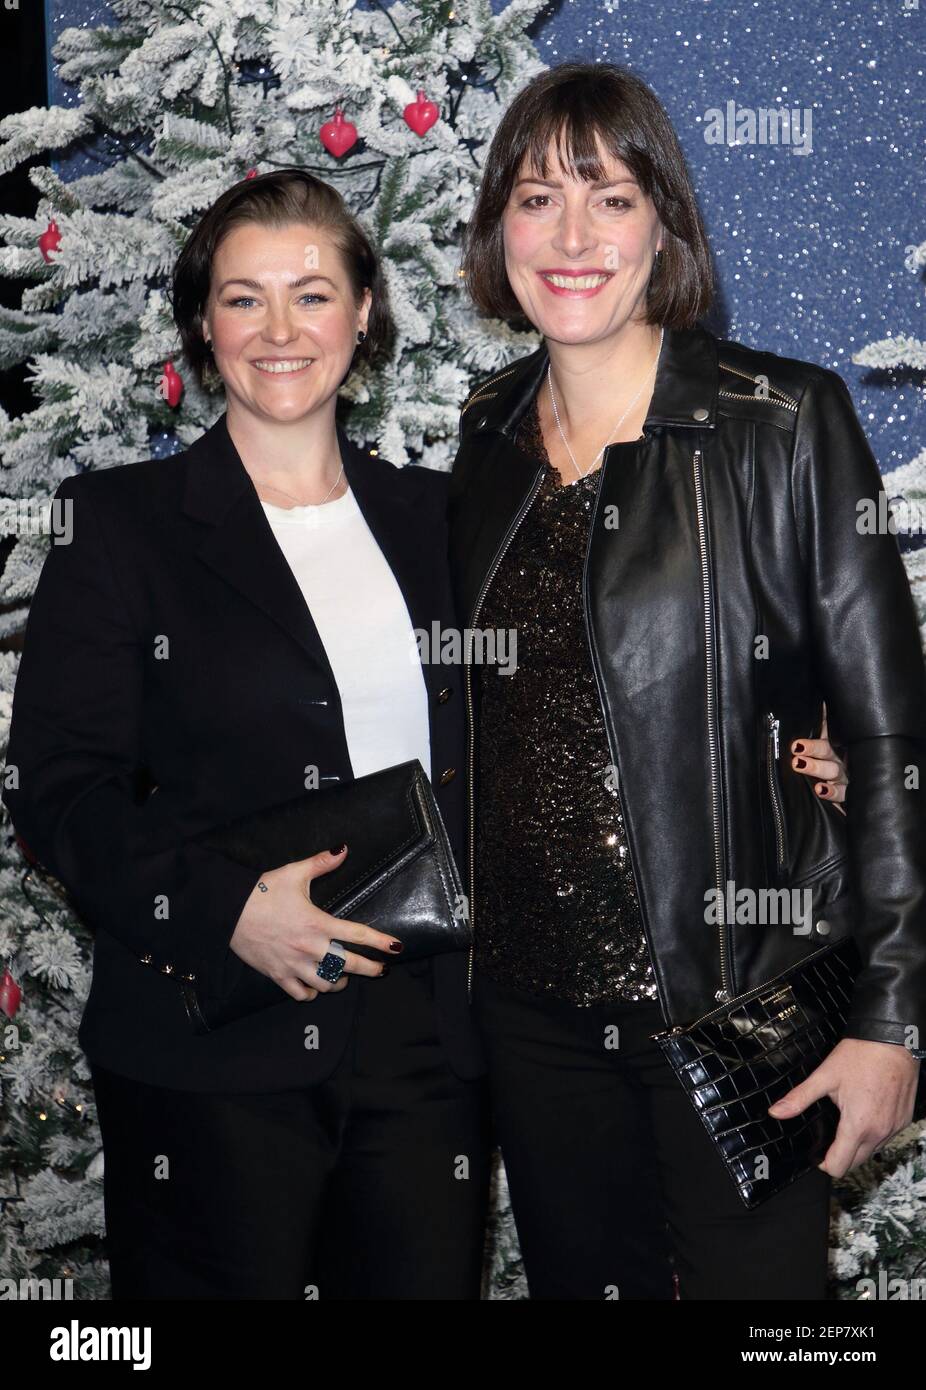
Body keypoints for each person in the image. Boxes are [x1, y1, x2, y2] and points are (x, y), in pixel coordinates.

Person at [449, 61, 926, 1300]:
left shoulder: (783, 422)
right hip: (532, 1020)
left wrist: (890, 1019)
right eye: (536, 196)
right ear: (496, 226)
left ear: (662, 223)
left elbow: (886, 736)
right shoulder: (483, 437)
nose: (569, 236)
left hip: (735, 1009)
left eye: (607, 198)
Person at [2, 169, 491, 1300]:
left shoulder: (440, 522)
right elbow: (61, 788)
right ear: (202, 321)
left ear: (363, 313)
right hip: (207, 1050)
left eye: (312, 294)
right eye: (243, 298)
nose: (280, 331)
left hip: (424, 1056)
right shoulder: (120, 524)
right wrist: (225, 913)